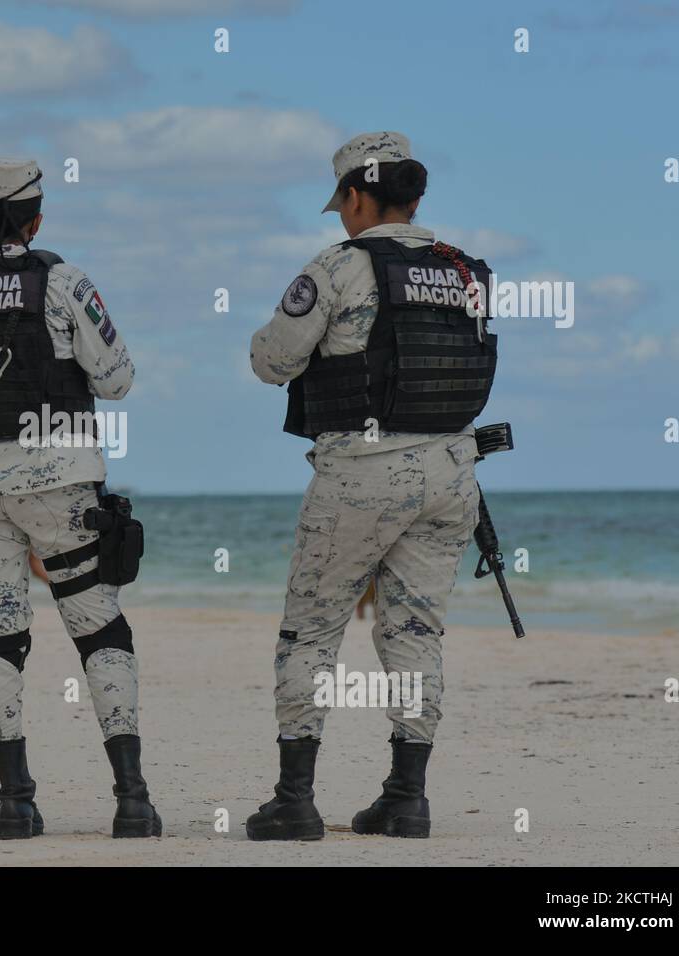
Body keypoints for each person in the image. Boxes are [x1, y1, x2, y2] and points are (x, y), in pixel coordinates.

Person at [245, 132, 497, 841]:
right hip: (453, 472)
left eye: (344, 202)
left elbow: (272, 362)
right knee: (416, 632)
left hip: (363, 471)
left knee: (312, 628)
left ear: (355, 196)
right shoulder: (466, 272)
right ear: (414, 197)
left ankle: (295, 801)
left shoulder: (337, 267)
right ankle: (406, 799)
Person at [0, 158, 161, 839]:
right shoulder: (64, 280)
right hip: (58, 480)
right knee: (99, 629)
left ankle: (15, 802)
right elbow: (117, 380)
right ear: (36, 220)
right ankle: (132, 800)